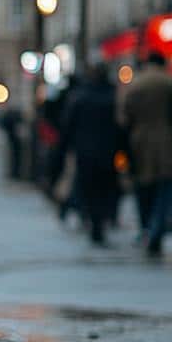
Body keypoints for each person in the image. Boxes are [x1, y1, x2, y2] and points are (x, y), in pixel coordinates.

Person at [119, 52, 172, 255]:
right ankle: (157, 228)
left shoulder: (135, 84)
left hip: (139, 142)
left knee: (143, 189)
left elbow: (125, 119)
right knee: (164, 189)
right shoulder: (169, 83)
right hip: (165, 141)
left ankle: (146, 228)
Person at [60, 63, 123, 245]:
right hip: (107, 151)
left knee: (88, 187)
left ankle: (92, 219)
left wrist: (62, 152)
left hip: (85, 152)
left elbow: (68, 128)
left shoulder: (80, 97)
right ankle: (99, 222)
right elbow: (120, 128)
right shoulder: (112, 97)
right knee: (104, 188)